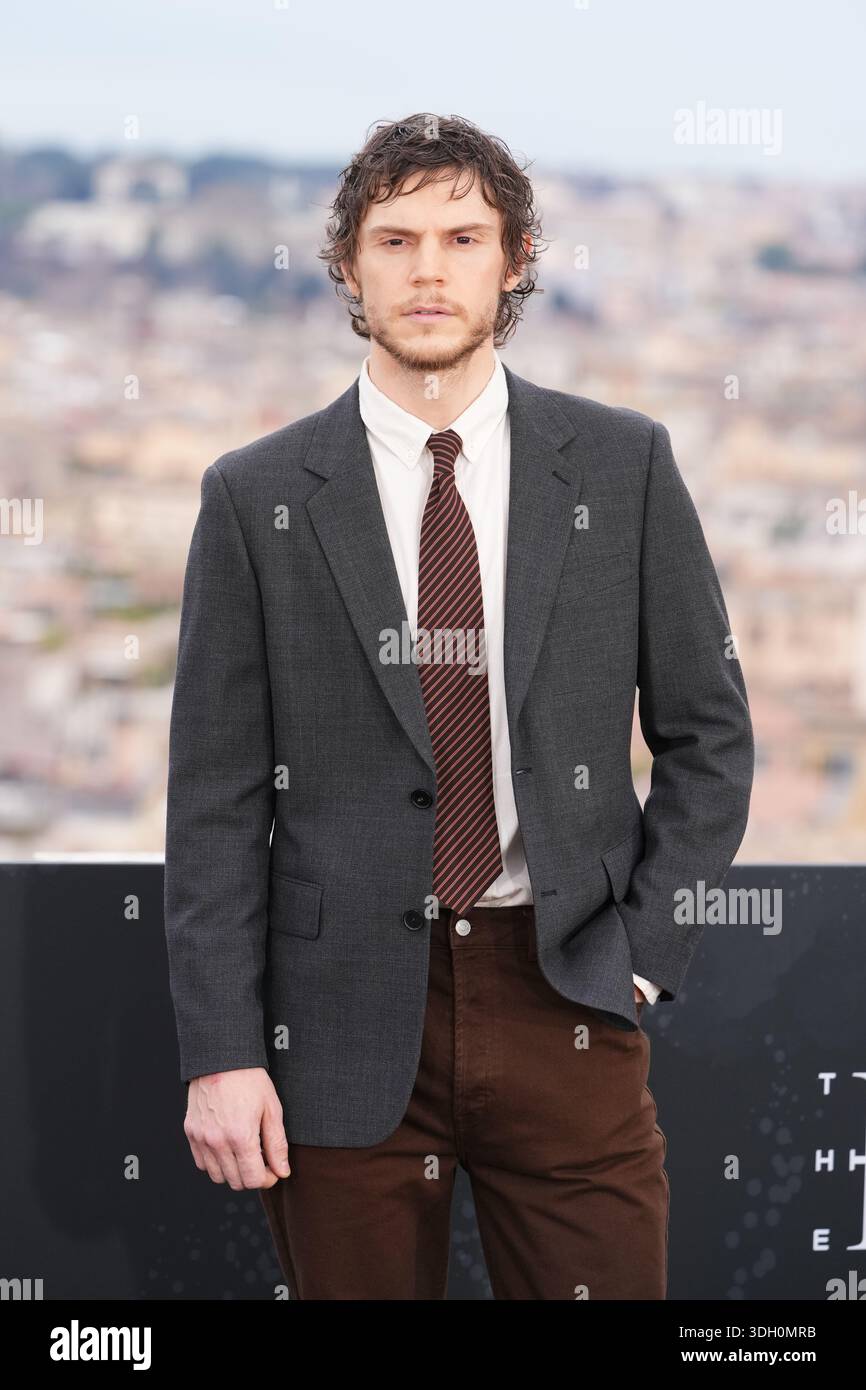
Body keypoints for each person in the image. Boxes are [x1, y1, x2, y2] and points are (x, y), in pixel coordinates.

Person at [164, 113, 754, 1299]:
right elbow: (216, 801)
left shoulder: (621, 464)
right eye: (394, 239)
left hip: (566, 996)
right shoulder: (255, 495)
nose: (427, 270)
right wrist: (222, 1052)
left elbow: (710, 735)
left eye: (461, 236)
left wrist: (640, 958)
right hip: (333, 1030)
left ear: (516, 256)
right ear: (347, 264)